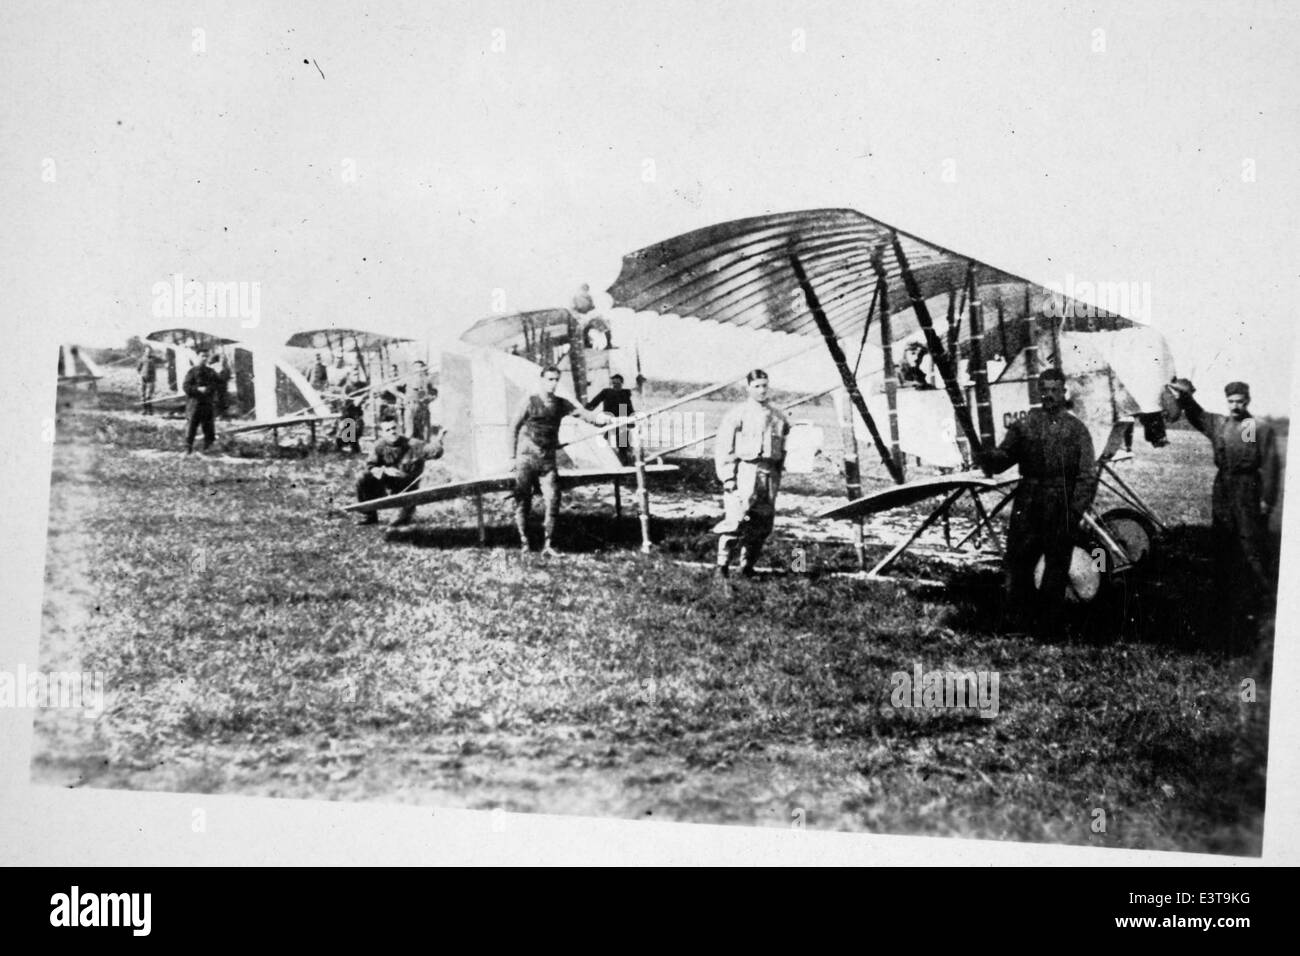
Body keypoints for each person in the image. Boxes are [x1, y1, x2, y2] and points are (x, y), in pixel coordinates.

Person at [977, 367, 1097, 633]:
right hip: (1029, 500)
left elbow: (1088, 475)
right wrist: (985, 454)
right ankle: (1016, 620)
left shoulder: (1076, 429)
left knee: (1056, 563)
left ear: (1063, 392)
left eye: (1055, 390)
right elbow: (1002, 460)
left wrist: (1074, 511)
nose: (1050, 395)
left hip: (1061, 502)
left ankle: (1048, 624)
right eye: (1045, 390)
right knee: (1019, 559)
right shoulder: (1025, 425)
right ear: (1039, 392)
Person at [1168, 378, 1280, 633]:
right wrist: (1184, 396)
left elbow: (1271, 466)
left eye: (1240, 401)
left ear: (1248, 401)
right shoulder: (1219, 424)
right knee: (1223, 544)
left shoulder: (1257, 427)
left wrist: (1266, 500)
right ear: (1226, 402)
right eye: (1231, 401)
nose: (1235, 406)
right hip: (1223, 489)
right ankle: (1224, 605)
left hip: (1247, 488)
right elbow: (1196, 415)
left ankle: (1260, 605)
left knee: (1251, 545)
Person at [509, 365, 621, 555]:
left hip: (547, 461)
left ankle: (548, 544)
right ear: (542, 381)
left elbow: (585, 415)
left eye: (555, 380)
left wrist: (608, 420)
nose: (552, 384)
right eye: (549, 380)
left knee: (553, 499)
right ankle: (524, 541)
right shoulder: (529, 401)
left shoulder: (561, 403)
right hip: (525, 458)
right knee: (523, 501)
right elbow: (513, 427)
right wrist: (512, 457)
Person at [713, 369, 791, 579]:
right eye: (757, 386)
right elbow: (724, 447)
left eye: (765, 385)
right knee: (736, 519)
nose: (762, 390)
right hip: (745, 471)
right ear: (748, 388)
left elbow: (787, 446)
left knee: (762, 523)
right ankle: (722, 566)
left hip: (769, 474)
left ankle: (747, 566)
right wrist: (727, 477)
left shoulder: (778, 416)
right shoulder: (737, 414)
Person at [354, 418, 442, 527]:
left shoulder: (414, 444)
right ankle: (369, 515)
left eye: (394, 428)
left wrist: (439, 441)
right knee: (362, 477)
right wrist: (385, 470)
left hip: (409, 491)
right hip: (387, 487)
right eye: (388, 430)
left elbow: (433, 451)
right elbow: (371, 467)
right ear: (382, 433)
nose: (392, 431)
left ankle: (405, 514)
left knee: (396, 526)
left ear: (399, 428)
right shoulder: (379, 446)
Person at [584, 373, 636, 464]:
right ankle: (606, 461)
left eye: (617, 383)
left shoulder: (625, 393)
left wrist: (632, 420)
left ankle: (624, 462)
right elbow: (595, 401)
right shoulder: (606, 392)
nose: (615, 385)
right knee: (604, 443)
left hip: (621, 419)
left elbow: (629, 407)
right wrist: (585, 410)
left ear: (622, 383)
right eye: (613, 383)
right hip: (609, 419)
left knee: (623, 444)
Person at [182, 348, 221, 454]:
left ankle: (208, 449)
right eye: (202, 356)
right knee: (191, 427)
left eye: (206, 356)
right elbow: (186, 387)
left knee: (208, 428)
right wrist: (197, 389)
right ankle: (188, 449)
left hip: (207, 404)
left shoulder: (211, 372)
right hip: (194, 404)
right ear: (197, 357)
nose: (204, 358)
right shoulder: (192, 372)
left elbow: (218, 384)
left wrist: (208, 389)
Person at [137, 345, 160, 414]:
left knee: (149, 394)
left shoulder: (154, 359)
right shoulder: (141, 359)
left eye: (150, 351)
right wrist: (141, 375)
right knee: (142, 394)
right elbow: (138, 368)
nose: (148, 353)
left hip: (151, 378)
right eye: (147, 351)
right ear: (144, 352)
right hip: (143, 378)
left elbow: (162, 361)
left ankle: (150, 409)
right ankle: (144, 409)